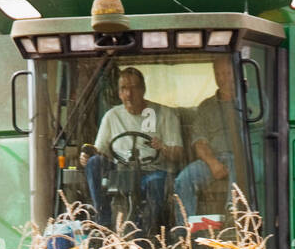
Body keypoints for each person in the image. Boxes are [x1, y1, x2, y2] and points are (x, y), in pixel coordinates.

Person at [80, 67, 183, 237]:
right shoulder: (111, 116)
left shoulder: (165, 114)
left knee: (156, 184)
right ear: (119, 93)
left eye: (134, 88)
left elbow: (178, 153)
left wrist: (163, 147)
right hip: (121, 172)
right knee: (94, 163)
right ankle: (103, 222)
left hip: (153, 171)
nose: (129, 94)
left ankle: (145, 234)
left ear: (143, 90)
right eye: (124, 89)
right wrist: (88, 155)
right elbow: (100, 151)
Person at [173, 56, 240, 225]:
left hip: (247, 159)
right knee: (183, 179)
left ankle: (235, 218)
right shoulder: (207, 107)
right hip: (215, 159)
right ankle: (184, 232)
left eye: (227, 73)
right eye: (218, 74)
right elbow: (199, 142)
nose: (223, 78)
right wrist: (213, 163)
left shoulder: (251, 100)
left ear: (237, 72)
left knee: (238, 163)